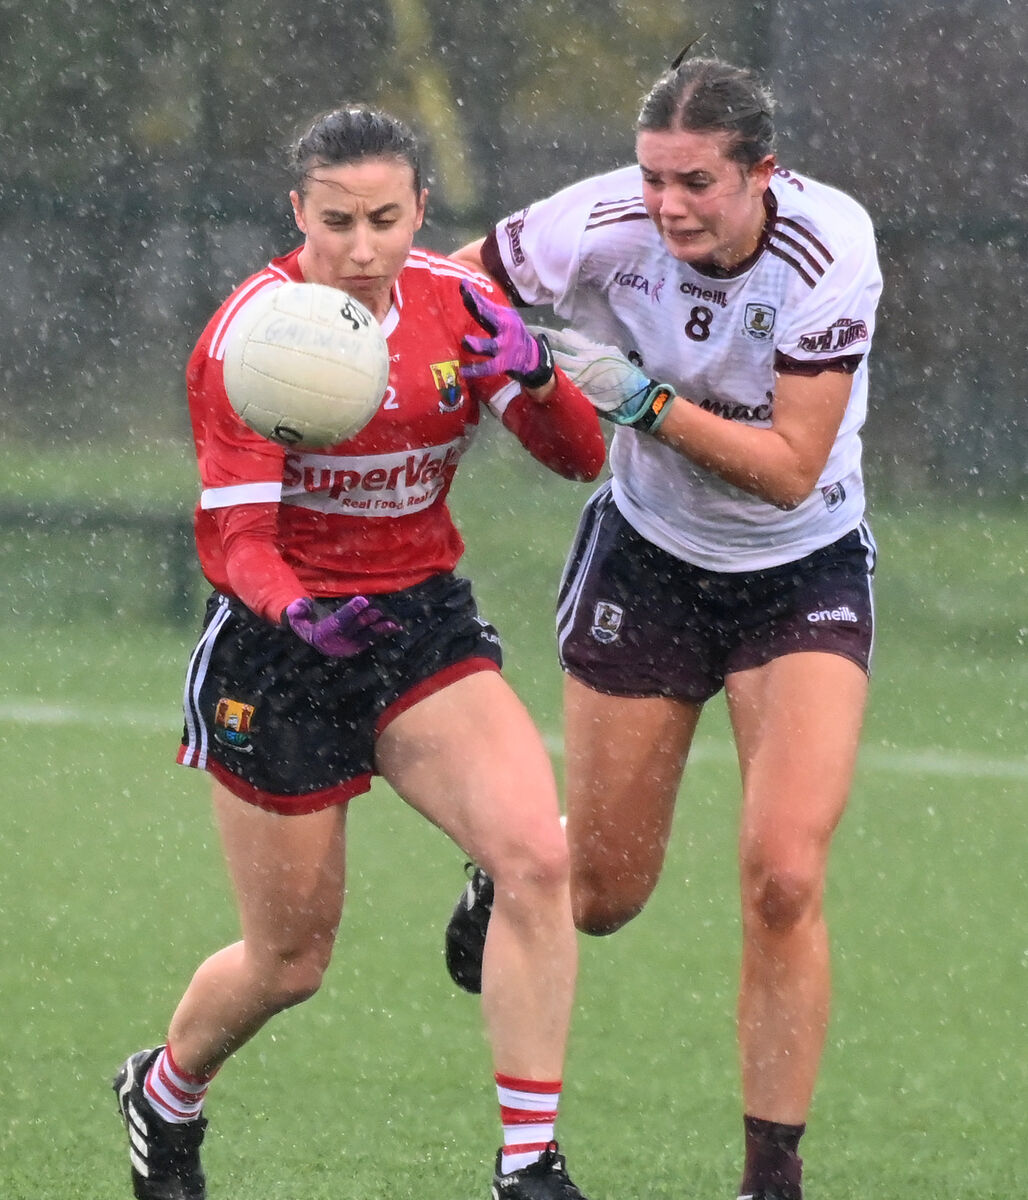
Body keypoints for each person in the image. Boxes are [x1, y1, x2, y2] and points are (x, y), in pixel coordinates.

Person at [112, 104, 607, 1200]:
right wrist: (296, 612)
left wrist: (532, 373)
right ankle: (163, 1093)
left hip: (416, 626)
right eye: (336, 220)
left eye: (386, 218)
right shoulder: (249, 337)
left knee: (536, 859)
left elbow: (579, 459)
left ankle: (528, 1165)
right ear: (299, 213)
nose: (362, 246)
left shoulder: (459, 305)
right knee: (290, 964)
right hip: (277, 653)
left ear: (421, 211)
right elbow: (234, 537)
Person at [443, 56, 882, 1200]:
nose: (669, 205)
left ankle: (769, 1176)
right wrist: (515, 382)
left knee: (783, 875)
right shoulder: (590, 224)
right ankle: (513, 866)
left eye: (696, 181)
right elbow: (445, 295)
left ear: (759, 175)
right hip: (646, 559)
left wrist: (635, 398)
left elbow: (788, 471)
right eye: (652, 179)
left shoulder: (827, 253)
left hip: (802, 568)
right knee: (596, 899)